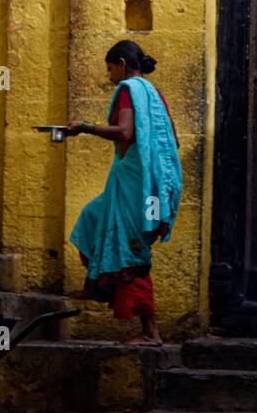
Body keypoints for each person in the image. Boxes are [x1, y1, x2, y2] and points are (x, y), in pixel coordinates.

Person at [66, 40, 182, 346]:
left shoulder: (130, 89)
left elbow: (125, 132)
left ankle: (151, 332)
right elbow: (173, 139)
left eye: (109, 68)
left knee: (132, 247)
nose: (108, 76)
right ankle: (96, 284)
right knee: (92, 217)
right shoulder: (154, 94)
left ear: (120, 62)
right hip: (153, 184)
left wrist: (84, 128)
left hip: (135, 183)